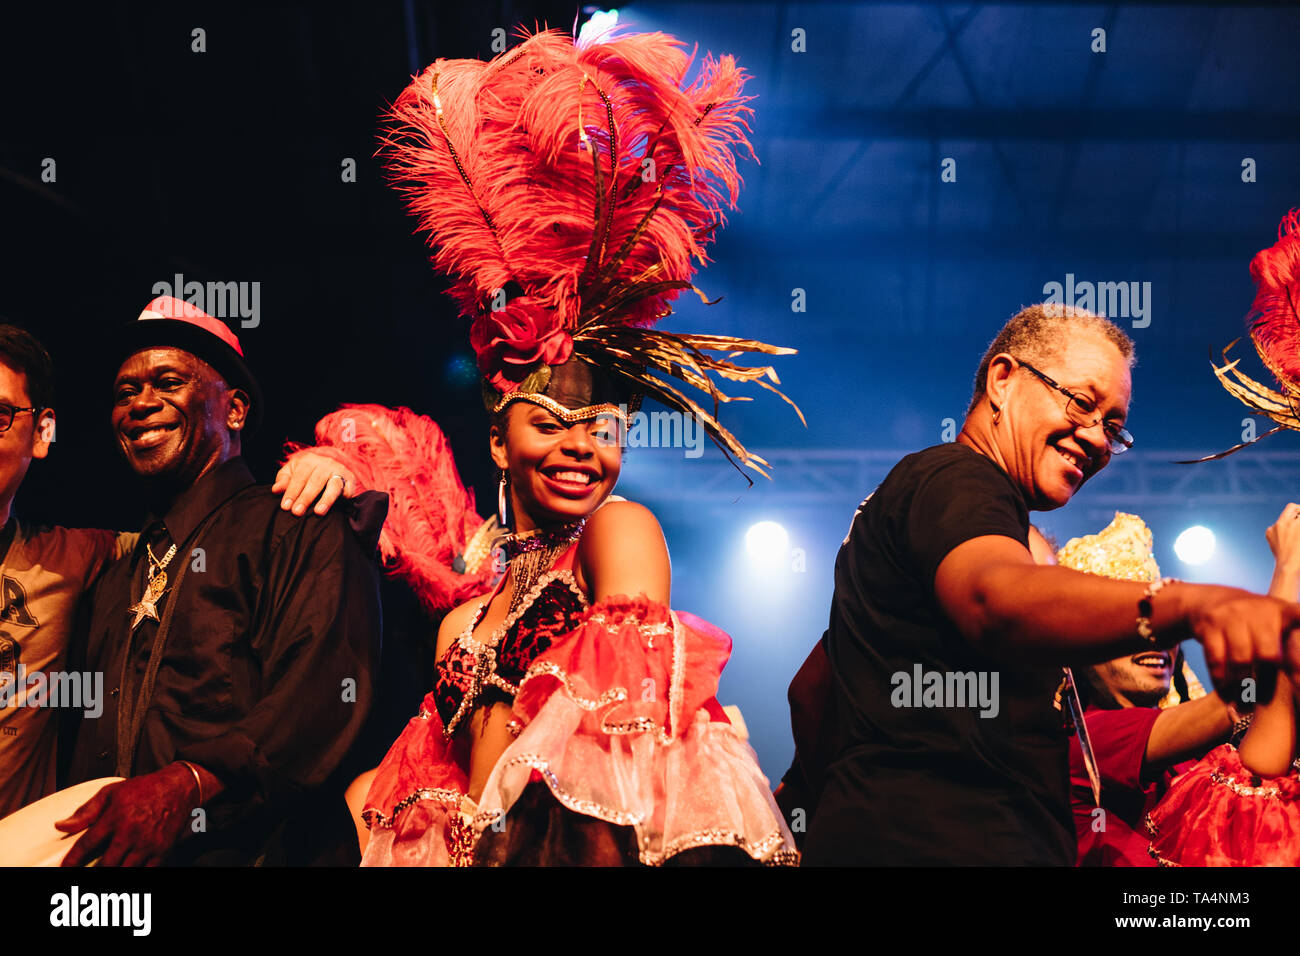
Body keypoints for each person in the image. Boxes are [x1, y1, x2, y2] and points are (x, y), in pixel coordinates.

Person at [281, 27, 801, 866]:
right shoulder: (460, 624)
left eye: (603, 429)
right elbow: (433, 789)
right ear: (498, 439)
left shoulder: (617, 533)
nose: (580, 447)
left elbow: (627, 754)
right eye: (551, 423)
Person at [801, 302, 1300, 866]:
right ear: (1003, 380)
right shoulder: (955, 477)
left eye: (1113, 428)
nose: (1095, 439)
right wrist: (1188, 605)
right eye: (1082, 403)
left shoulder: (953, 505)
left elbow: (813, 695)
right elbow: (995, 599)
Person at [57, 296, 387, 866]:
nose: (140, 405)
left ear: (234, 411)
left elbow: (323, 698)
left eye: (167, 382)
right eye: (125, 393)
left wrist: (186, 784)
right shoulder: (116, 575)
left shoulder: (299, 523)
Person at [1053, 512, 1242, 866]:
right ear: (1083, 649)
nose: (1157, 644)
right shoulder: (1089, 739)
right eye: (1133, 631)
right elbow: (1236, 705)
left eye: (1165, 631)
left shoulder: (1194, 754)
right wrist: (1288, 574)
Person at [0, 325, 131, 819]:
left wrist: (324, 470)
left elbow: (213, 536)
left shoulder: (70, 559)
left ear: (42, 433)